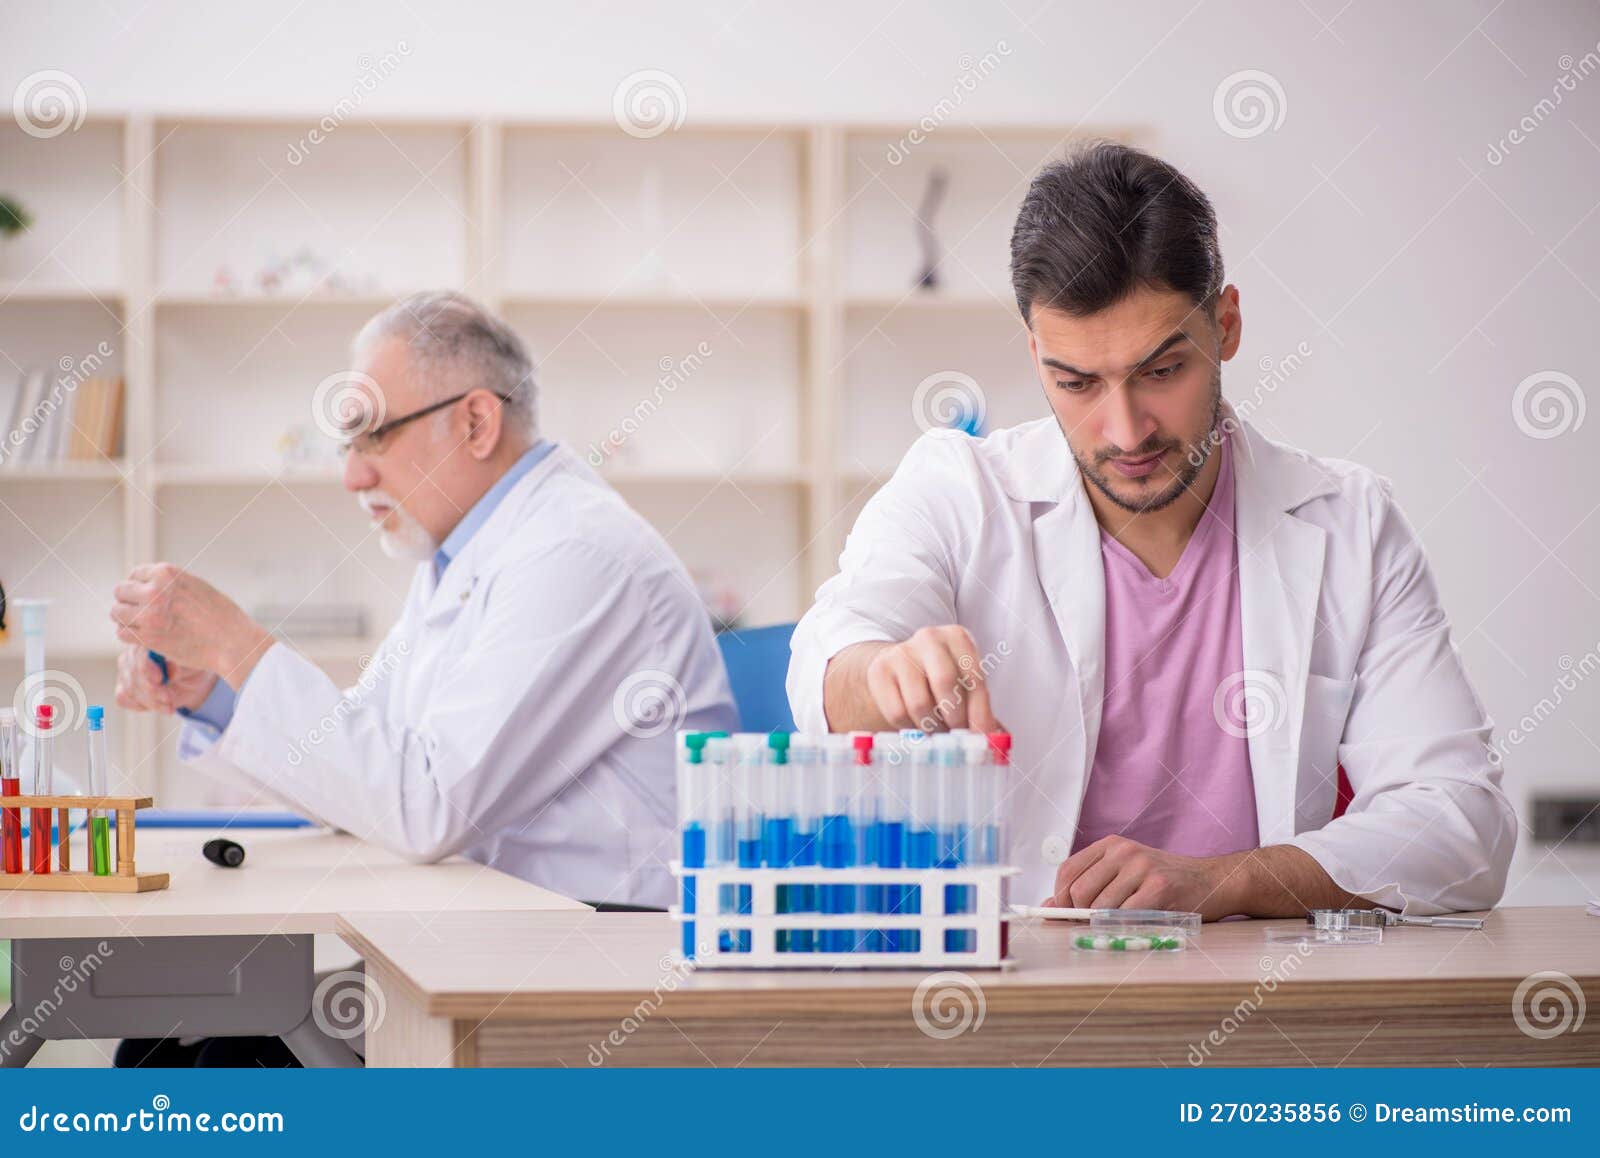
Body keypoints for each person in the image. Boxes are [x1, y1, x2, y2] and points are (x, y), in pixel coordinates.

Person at [788, 142, 1515, 919]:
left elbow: (1461, 826)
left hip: (1262, 1006)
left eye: (1163, 371)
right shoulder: (959, 491)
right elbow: (830, 658)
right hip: (1009, 1005)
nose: (1126, 430)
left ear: (1226, 325)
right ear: (1036, 354)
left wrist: (1228, 880)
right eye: (1076, 383)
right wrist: (881, 674)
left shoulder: (1350, 525)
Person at [113, 291, 737, 910]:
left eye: (374, 437)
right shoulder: (459, 554)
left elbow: (427, 806)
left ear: (476, 423)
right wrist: (214, 688)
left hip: (613, 941)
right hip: (513, 917)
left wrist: (239, 647)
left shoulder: (575, 552)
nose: (353, 477)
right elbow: (367, 781)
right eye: (347, 447)